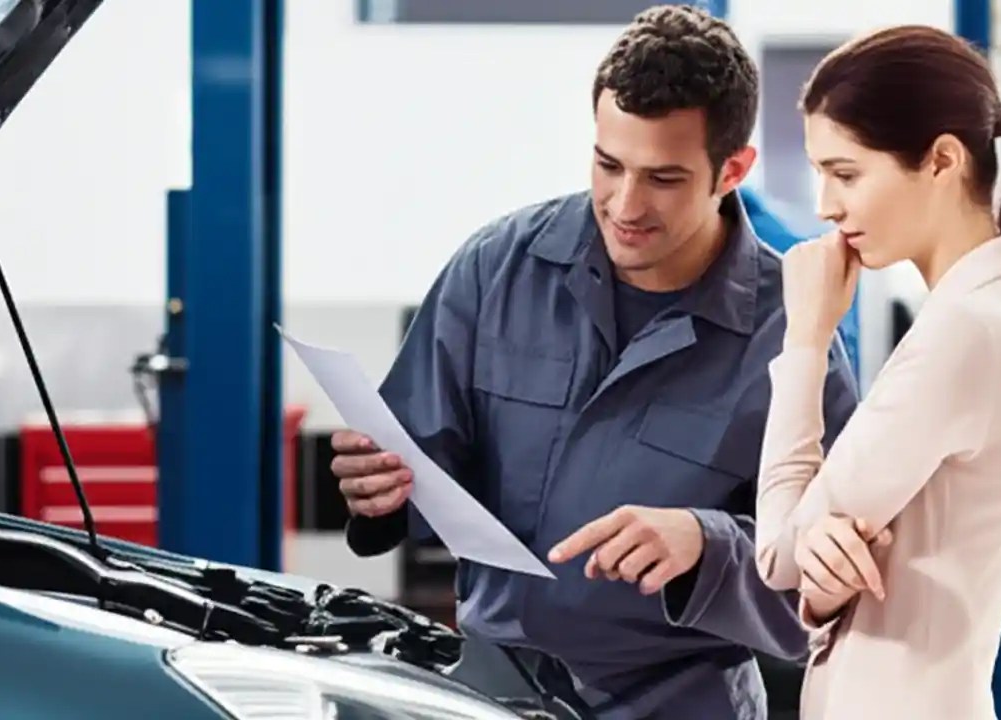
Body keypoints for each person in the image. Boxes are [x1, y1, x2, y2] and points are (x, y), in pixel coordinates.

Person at [331, 6, 860, 718]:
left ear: (731, 170)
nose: (626, 204)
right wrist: (377, 495)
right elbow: (417, 463)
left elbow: (828, 590)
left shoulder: (792, 334)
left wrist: (706, 546)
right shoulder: (499, 269)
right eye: (609, 165)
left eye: (664, 178)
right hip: (489, 695)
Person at [752, 24, 1001, 720]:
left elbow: (776, 558)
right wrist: (825, 576)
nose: (825, 206)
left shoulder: (967, 334)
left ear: (941, 161)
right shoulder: (979, 314)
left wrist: (807, 340)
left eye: (845, 173)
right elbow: (819, 572)